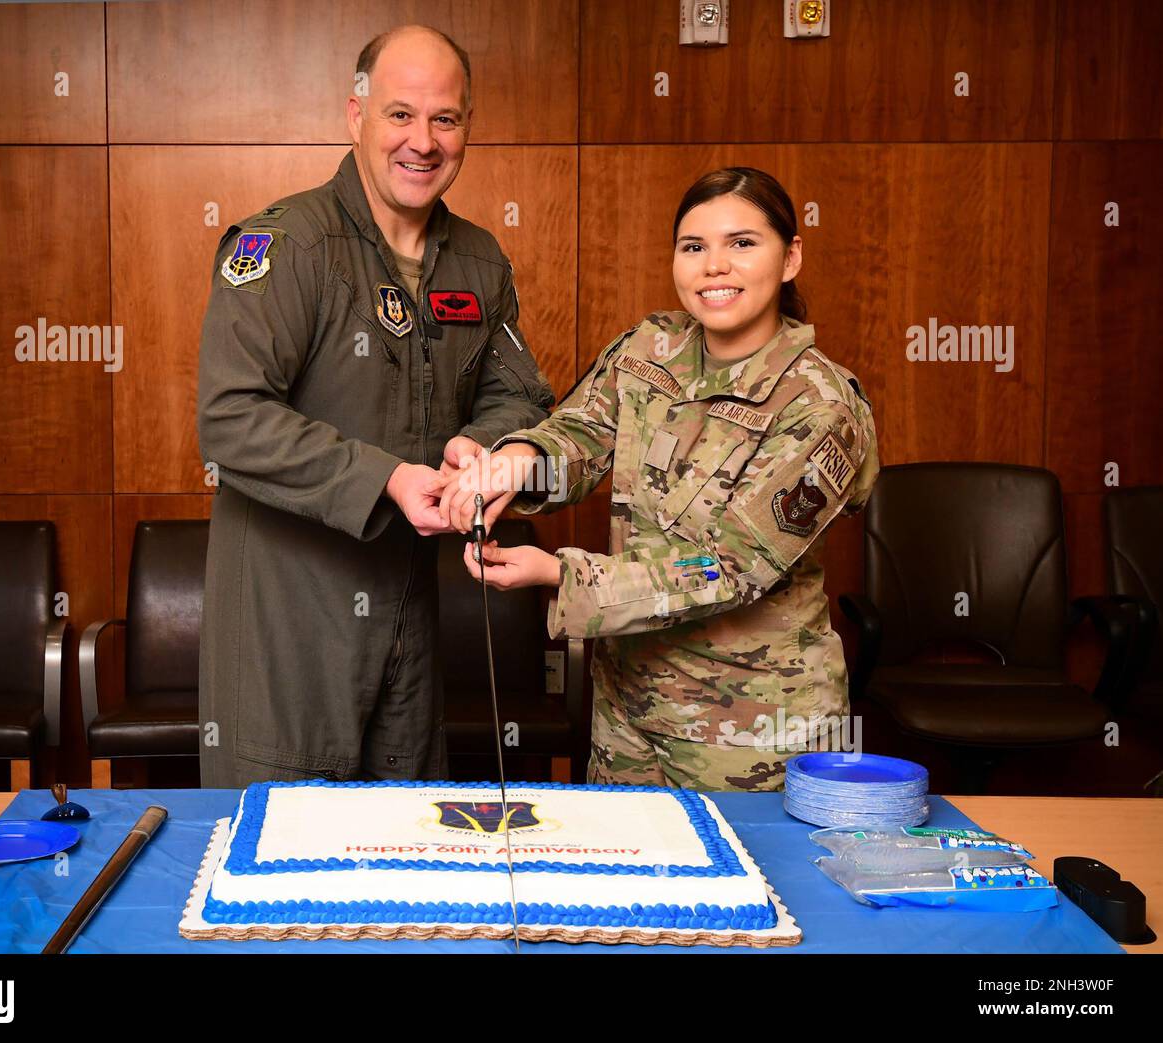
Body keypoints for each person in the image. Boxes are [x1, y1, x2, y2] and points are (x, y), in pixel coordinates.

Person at [436, 167, 879, 791]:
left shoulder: (821, 406)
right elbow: (581, 436)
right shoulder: (651, 347)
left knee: (753, 889)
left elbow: (727, 570)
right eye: (694, 247)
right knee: (625, 886)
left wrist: (560, 574)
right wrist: (517, 461)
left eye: (742, 243)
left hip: (750, 732)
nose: (714, 266)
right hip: (628, 713)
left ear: (790, 257)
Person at [196, 25, 554, 787]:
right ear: (355, 116)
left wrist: (480, 449)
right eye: (400, 114)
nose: (422, 141)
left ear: (467, 129)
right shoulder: (284, 247)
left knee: (409, 853)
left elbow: (518, 392)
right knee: (281, 869)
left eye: (445, 119)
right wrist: (385, 478)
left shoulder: (480, 261)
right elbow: (229, 418)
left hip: (411, 617)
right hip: (285, 624)